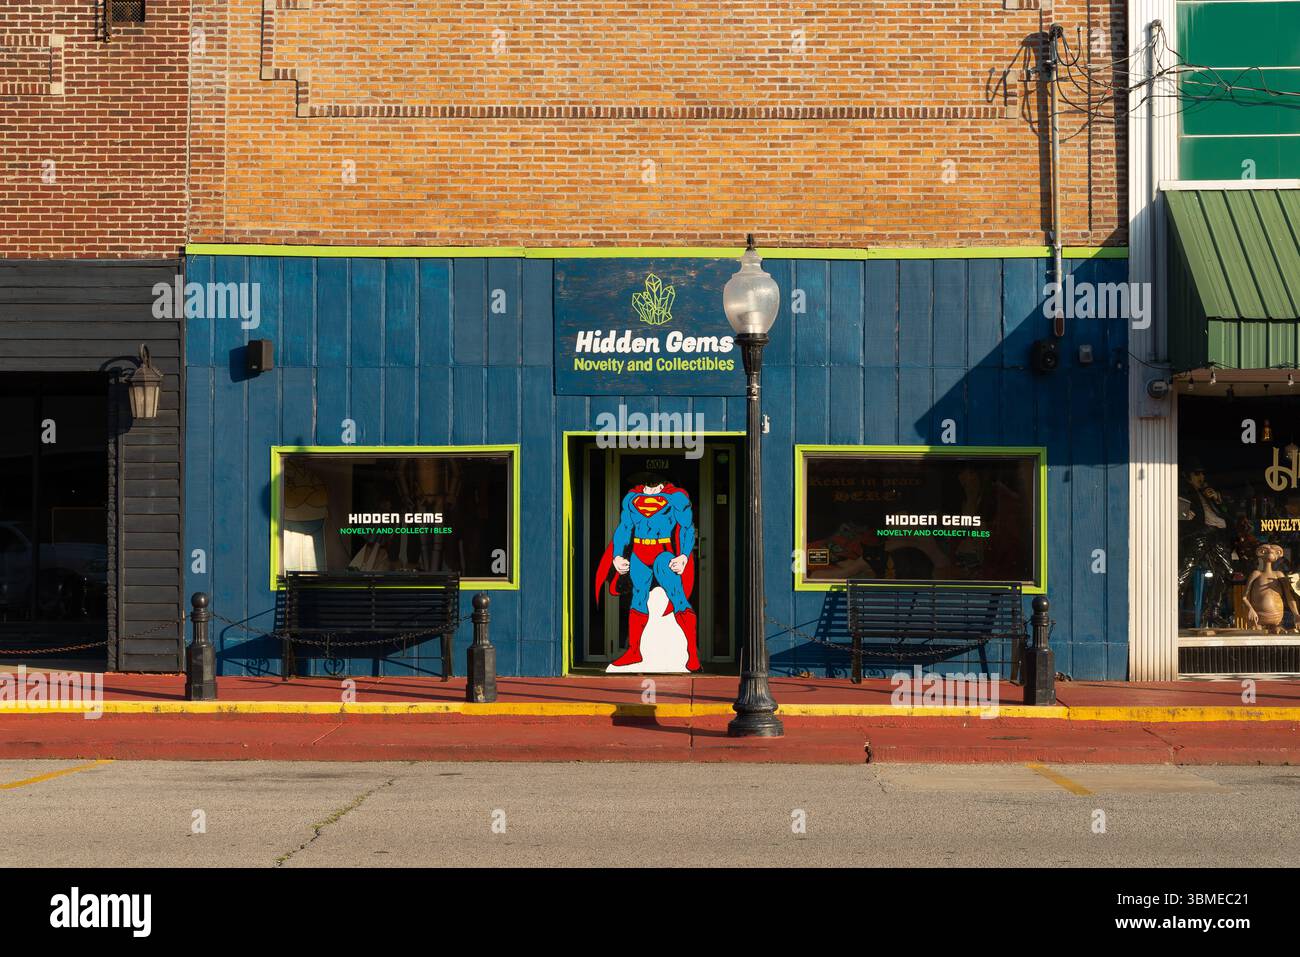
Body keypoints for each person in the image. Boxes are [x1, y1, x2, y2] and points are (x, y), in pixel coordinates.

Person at [594, 472, 699, 671]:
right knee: (638, 598)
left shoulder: (676, 497)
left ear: (664, 484)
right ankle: (634, 651)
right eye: (650, 485)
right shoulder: (632, 499)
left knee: (678, 598)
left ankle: (692, 654)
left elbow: (687, 527)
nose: (654, 489)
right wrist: (617, 555)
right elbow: (624, 528)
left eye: (658, 484)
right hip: (639, 553)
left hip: (663, 552)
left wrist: (684, 555)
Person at [1177, 459, 1235, 628]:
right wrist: (1183, 516)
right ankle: (1169, 609)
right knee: (1185, 571)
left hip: (1216, 534)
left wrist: (1218, 501)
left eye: (1202, 473)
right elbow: (1175, 512)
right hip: (1199, 534)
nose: (1201, 477)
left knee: (1226, 571)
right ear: (1188, 476)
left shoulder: (1209, 494)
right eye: (1197, 474)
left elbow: (1229, 516)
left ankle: (1212, 612)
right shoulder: (1184, 492)